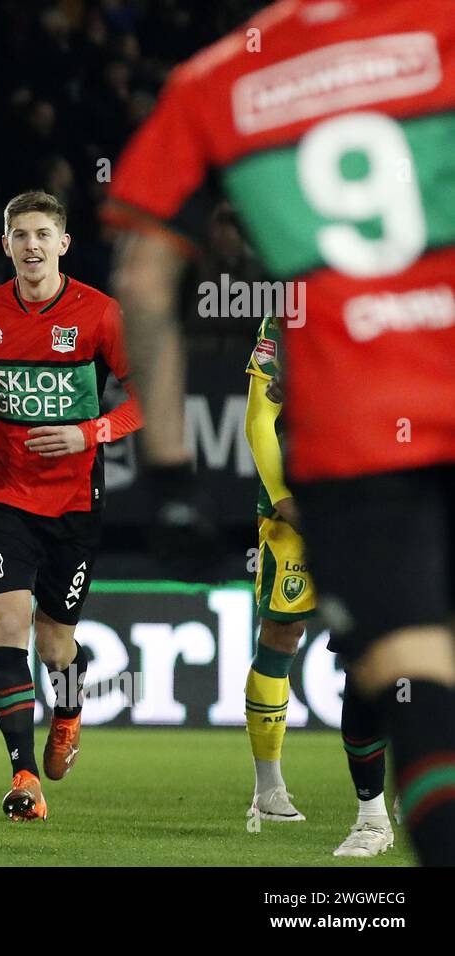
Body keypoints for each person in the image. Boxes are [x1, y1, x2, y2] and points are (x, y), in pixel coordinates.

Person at [105, 0, 455, 865]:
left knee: (406, 671)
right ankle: (326, 804)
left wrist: (171, 471)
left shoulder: (213, 81)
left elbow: (146, 282)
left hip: (358, 446)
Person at [0, 190, 141, 822]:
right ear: (4, 244)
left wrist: (90, 433)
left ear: (63, 243)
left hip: (72, 500)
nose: (31, 247)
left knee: (55, 641)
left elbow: (143, 401)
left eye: (43, 235)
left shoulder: (101, 314)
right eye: (20, 236)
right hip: (5, 494)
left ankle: (68, 709)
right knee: (7, 625)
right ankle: (23, 773)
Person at [242, 314, 394, 857]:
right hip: (301, 505)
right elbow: (260, 418)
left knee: (401, 643)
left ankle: (403, 787)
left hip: (386, 498)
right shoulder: (290, 312)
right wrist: (284, 498)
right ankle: (268, 788)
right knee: (282, 636)